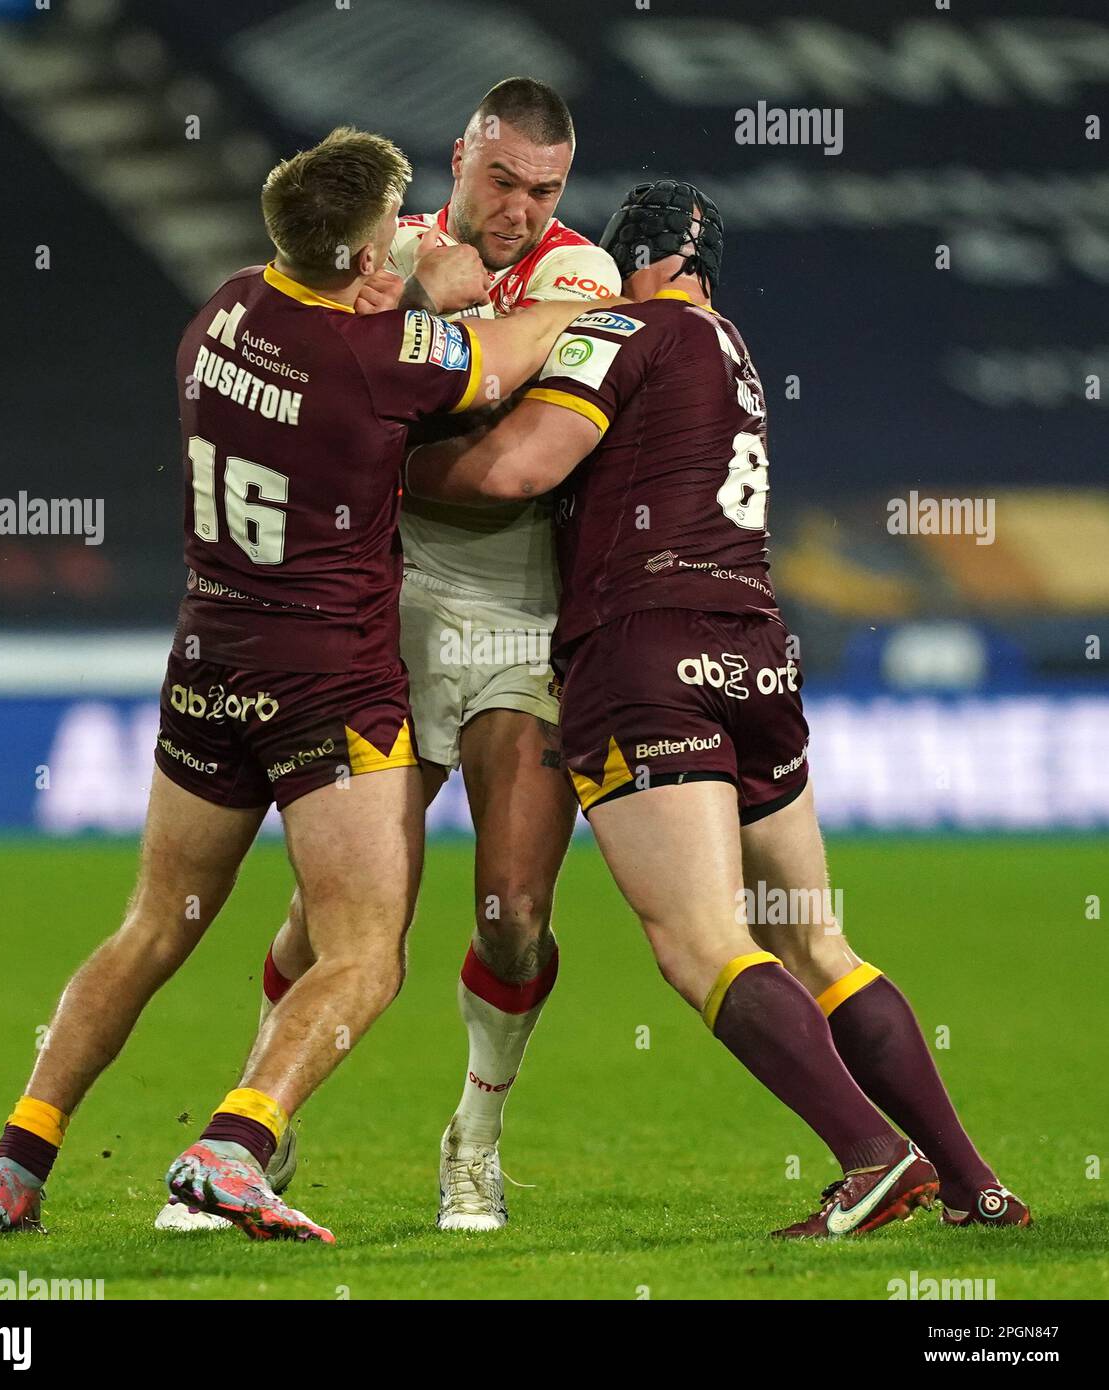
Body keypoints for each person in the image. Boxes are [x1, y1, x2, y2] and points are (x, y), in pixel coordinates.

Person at [0, 126, 612, 1243]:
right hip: (327, 679)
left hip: (208, 662)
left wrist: (406, 290)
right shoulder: (381, 361)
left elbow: (351, 322)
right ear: (366, 260)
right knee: (364, 951)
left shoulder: (219, 313)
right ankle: (237, 1142)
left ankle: (16, 1158)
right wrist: (574, 307)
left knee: (153, 926)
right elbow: (502, 362)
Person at [405, 179, 1031, 1236]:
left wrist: (376, 469)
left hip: (643, 646)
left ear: (630, 259)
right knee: (816, 941)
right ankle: (972, 1182)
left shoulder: (623, 324)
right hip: (754, 653)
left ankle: (871, 1158)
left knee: (701, 941)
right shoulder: (732, 350)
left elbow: (519, 466)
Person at [162, 78, 622, 1235]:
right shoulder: (389, 244)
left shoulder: (581, 277)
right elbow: (309, 373)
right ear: (460, 153)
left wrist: (362, 454)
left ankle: (473, 1139)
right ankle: (257, 1123)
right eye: (502, 178)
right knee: (338, 917)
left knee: (512, 907)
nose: (519, 208)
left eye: (545, 188)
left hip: (523, 612)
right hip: (392, 609)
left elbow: (520, 456)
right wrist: (412, 315)